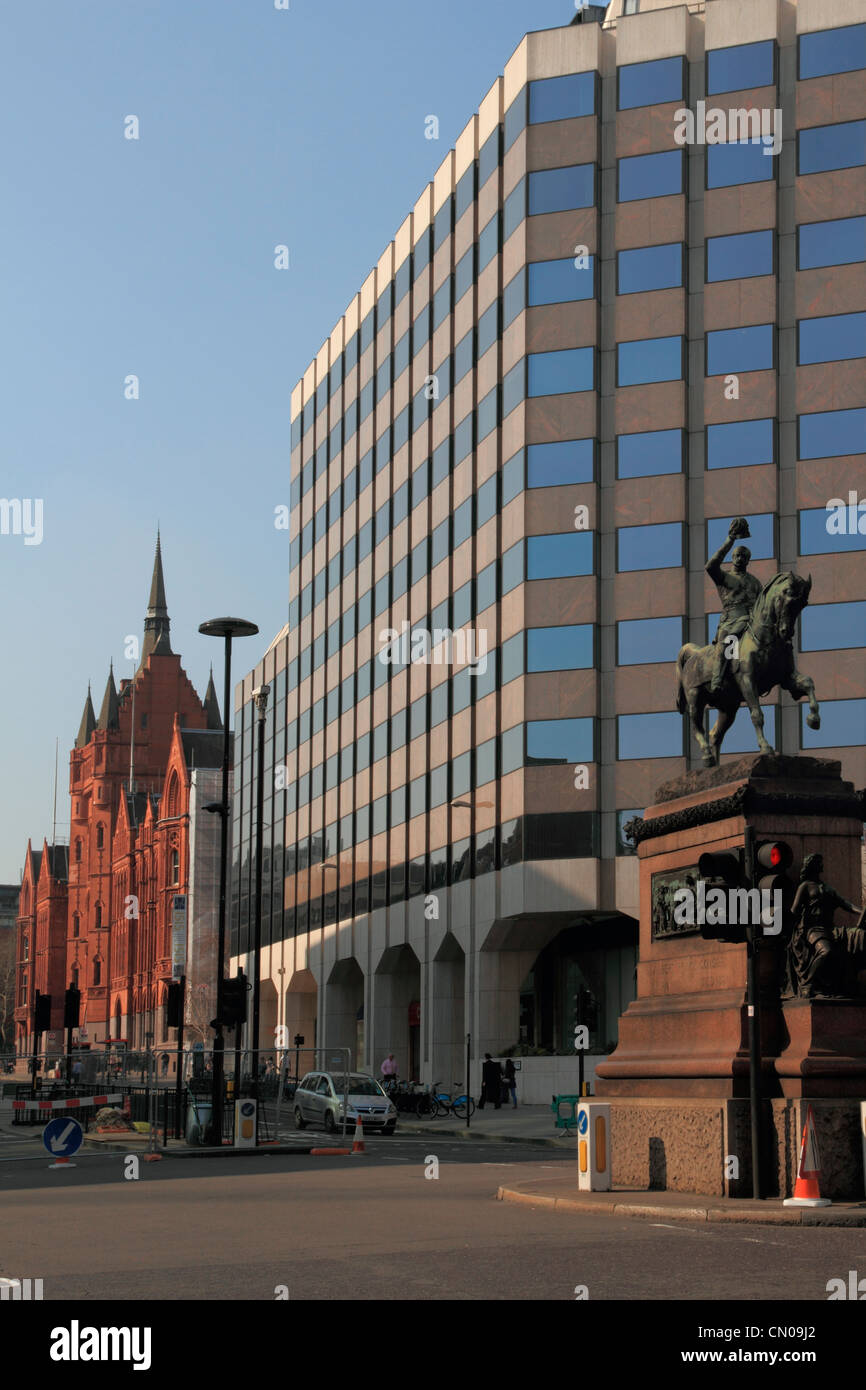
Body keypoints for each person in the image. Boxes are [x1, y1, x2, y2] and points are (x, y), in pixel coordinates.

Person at [705, 518, 762, 694]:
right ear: (732, 558)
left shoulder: (755, 582)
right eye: (737, 555)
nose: (739, 558)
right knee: (726, 642)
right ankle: (717, 679)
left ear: (748, 560)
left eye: (743, 557)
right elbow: (710, 566)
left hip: (752, 620)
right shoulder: (724, 577)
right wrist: (730, 540)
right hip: (731, 619)